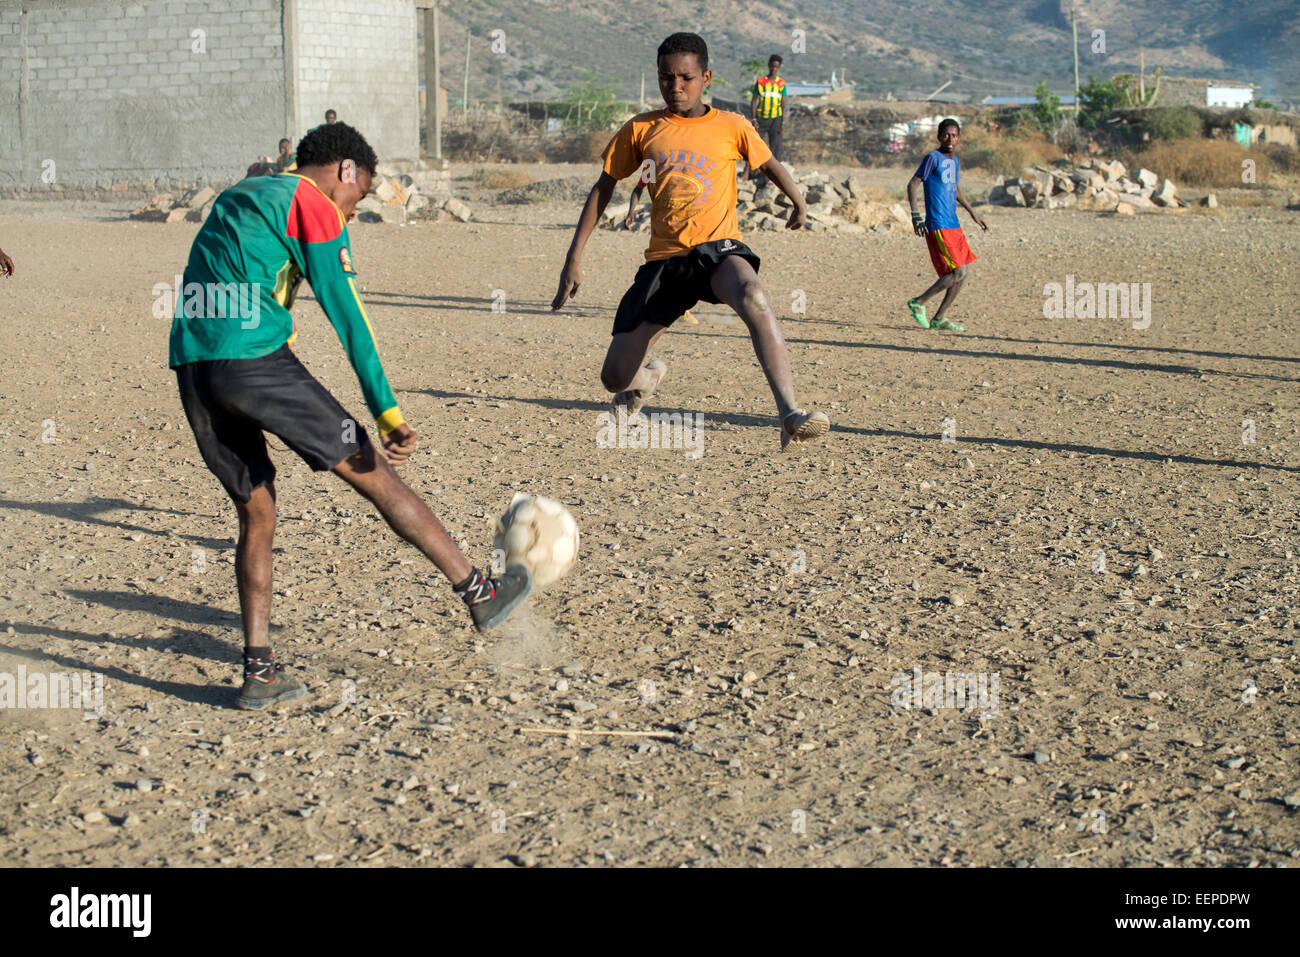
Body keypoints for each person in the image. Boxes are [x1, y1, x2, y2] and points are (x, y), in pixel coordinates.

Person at [169, 122, 530, 710]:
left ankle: (257, 673)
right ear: (344, 171)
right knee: (375, 472)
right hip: (254, 361)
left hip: (194, 365)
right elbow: (349, 316)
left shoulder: (242, 192)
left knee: (256, 514)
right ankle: (479, 590)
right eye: (358, 195)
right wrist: (386, 411)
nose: (352, 210)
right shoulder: (311, 203)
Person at [552, 32, 827, 450]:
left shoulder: (732, 125)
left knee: (753, 293)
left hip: (718, 251)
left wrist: (798, 201)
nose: (675, 87)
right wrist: (574, 257)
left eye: (686, 78)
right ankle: (643, 382)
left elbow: (770, 163)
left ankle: (789, 413)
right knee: (614, 376)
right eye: (666, 78)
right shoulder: (642, 128)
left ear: (706, 77)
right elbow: (604, 186)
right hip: (664, 260)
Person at [905, 118, 988, 332]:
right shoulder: (932, 158)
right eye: (946, 135)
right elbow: (913, 183)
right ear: (939, 136)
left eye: (954, 135)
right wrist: (916, 215)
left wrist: (973, 213)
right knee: (957, 272)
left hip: (953, 223)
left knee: (963, 273)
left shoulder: (954, 161)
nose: (949, 139)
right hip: (939, 223)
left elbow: (956, 188)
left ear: (959, 138)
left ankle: (939, 318)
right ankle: (919, 302)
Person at [623, 171, 696, 324]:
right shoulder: (652, 168)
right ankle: (676, 307)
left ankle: (681, 307)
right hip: (663, 227)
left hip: (686, 224)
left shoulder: (684, 166)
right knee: (664, 265)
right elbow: (638, 189)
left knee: (686, 264)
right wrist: (631, 212)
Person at [748, 54, 786, 172]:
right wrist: (754, 119)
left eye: (777, 67)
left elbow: (783, 103)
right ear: (769, 66)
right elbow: (754, 100)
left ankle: (774, 176)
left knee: (775, 147)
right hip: (761, 119)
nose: (774, 69)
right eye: (772, 66)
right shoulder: (761, 82)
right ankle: (747, 172)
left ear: (779, 67)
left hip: (776, 118)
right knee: (754, 144)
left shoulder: (781, 84)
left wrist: (782, 123)